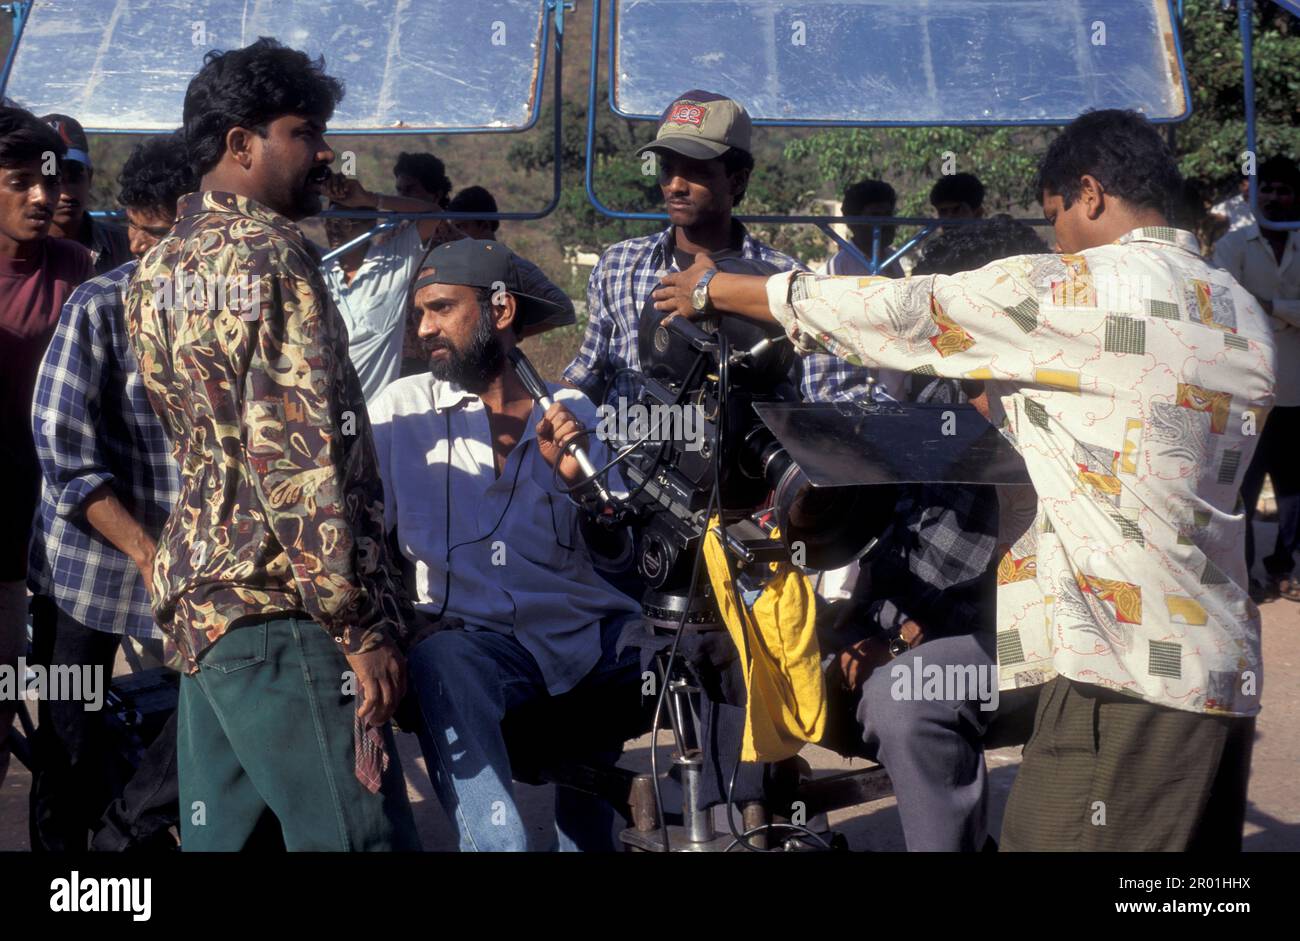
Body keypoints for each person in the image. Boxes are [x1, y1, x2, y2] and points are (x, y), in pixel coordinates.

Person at [656, 109, 1274, 851]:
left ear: (1090, 192)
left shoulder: (1084, 291)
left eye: (1056, 221)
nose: (1059, 243)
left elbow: (907, 311)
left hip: (1123, 676)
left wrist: (722, 290)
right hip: (1221, 668)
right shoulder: (1238, 310)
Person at [123, 38, 420, 851]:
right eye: (305, 131)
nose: (324, 153)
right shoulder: (276, 256)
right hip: (282, 610)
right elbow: (299, 465)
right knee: (358, 840)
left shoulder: (153, 270)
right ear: (239, 143)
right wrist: (358, 626)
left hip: (205, 610)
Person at [369, 239, 643, 851]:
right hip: (475, 646)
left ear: (499, 312)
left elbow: (621, 559)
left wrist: (582, 490)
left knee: (681, 659)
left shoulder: (572, 414)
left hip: (584, 639)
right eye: (420, 314)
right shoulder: (399, 411)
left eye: (441, 309)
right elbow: (356, 531)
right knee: (443, 663)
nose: (424, 329)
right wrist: (394, 627)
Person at [819, 218, 1045, 852]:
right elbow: (895, 530)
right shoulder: (935, 386)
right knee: (748, 652)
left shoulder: (1046, 407)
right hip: (903, 620)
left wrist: (893, 641)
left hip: (1014, 636)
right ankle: (787, 826)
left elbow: (999, 565)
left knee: (906, 698)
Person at [27, 132, 192, 851]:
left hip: (193, 561)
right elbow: (64, 448)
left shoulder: (241, 307)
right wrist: (144, 548)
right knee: (71, 716)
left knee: (204, 715)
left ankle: (126, 836)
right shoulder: (99, 305)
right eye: (154, 234)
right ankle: (63, 855)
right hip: (90, 562)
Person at [564, 90, 806, 411]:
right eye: (667, 168)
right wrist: (550, 405)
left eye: (696, 170)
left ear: (737, 180)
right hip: (631, 457)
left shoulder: (784, 281)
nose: (675, 185)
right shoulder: (619, 266)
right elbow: (589, 374)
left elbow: (833, 394)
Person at [0, 106, 93, 788]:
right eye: (21, 181)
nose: (43, 197)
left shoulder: (81, 271)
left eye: (51, 182)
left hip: (52, 514)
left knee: (11, 695)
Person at [1214, 156, 1300, 602]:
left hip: (1297, 394)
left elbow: (1251, 305)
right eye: (1267, 188)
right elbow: (1225, 306)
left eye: (1284, 189)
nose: (1274, 197)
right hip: (1246, 395)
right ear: (1253, 192)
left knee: (1294, 493)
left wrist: (1269, 305)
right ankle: (1243, 575)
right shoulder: (1232, 246)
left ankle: (1285, 568)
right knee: (1240, 489)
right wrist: (1288, 310)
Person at [318, 172, 459, 403]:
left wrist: (370, 199)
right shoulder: (315, 264)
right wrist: (316, 187)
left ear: (369, 224)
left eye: (345, 221)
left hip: (376, 414)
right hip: (324, 407)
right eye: (330, 220)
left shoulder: (392, 262)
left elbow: (433, 213)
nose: (335, 229)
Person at [445, 183, 575, 325]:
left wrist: (515, 335)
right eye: (453, 227)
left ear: (484, 226)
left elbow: (564, 309)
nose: (455, 234)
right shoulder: (454, 267)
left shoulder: (513, 267)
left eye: (461, 226)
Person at [40, 114, 131, 276]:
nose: (65, 195)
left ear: (89, 177)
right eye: (53, 179)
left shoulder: (126, 245)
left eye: (75, 176)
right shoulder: (16, 250)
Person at [825, 179, 905, 278]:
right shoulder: (840, 266)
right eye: (875, 215)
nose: (884, 222)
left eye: (888, 214)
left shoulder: (892, 257)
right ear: (853, 223)